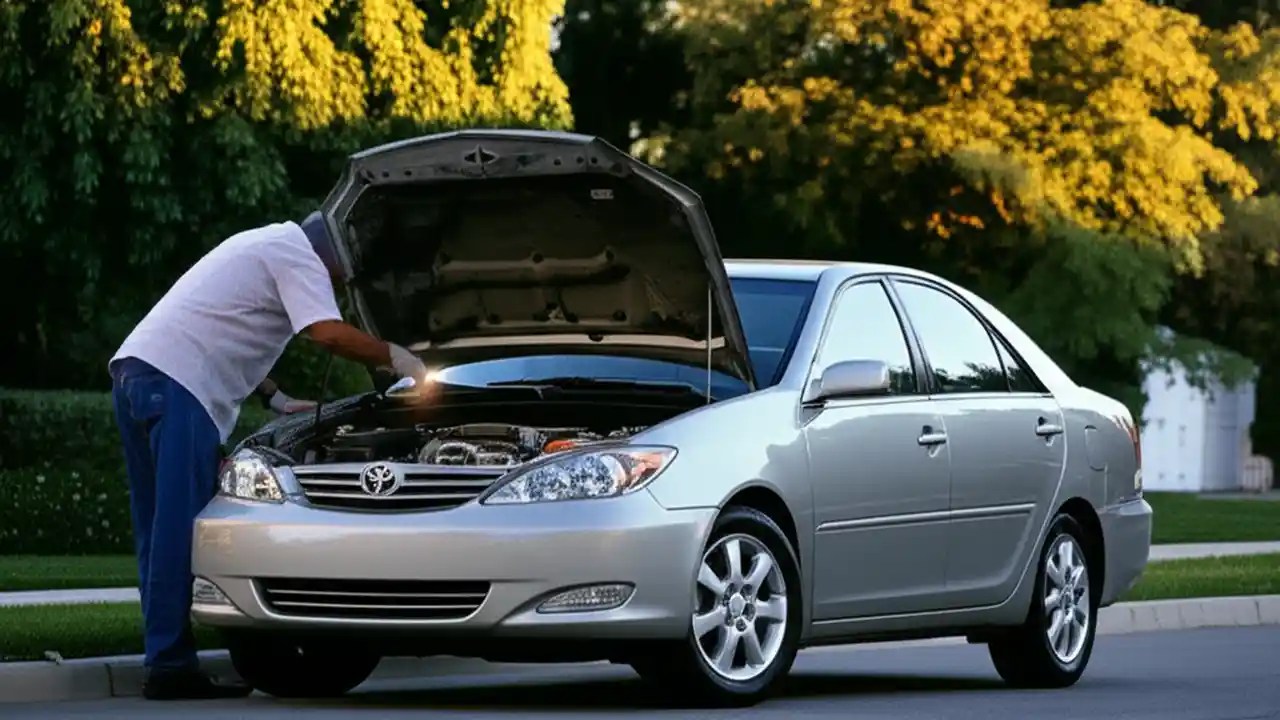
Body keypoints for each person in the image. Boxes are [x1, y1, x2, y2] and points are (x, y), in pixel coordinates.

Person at [108, 213, 426, 700]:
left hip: (138, 373)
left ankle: (163, 657)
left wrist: (276, 399)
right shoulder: (300, 256)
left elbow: (217, 326)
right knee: (177, 529)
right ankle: (170, 666)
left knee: (156, 529)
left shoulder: (265, 242)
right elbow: (326, 333)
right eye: (347, 271)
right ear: (335, 251)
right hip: (179, 386)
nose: (343, 282)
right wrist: (395, 356)